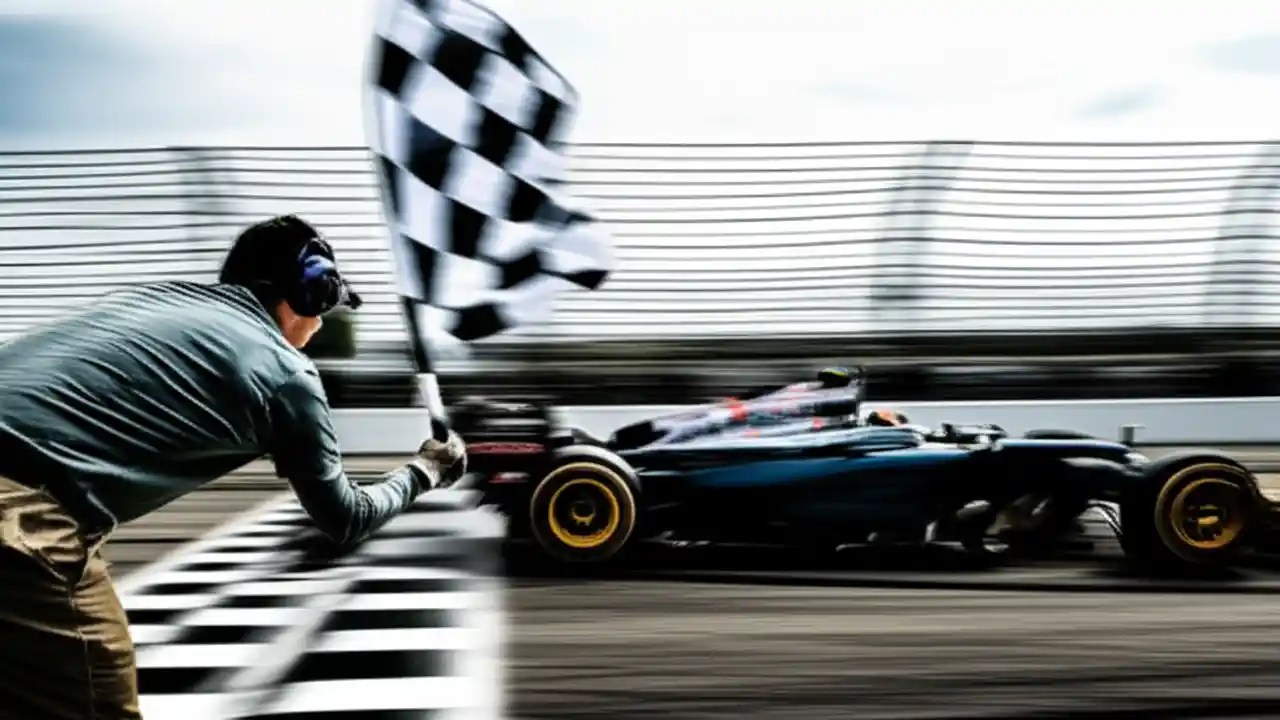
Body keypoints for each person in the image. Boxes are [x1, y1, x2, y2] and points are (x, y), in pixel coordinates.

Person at [0, 214, 466, 719]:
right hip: (20, 523)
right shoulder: (287, 374)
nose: (322, 321)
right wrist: (425, 470)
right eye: (326, 301)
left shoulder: (154, 298)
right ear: (308, 291)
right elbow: (345, 517)